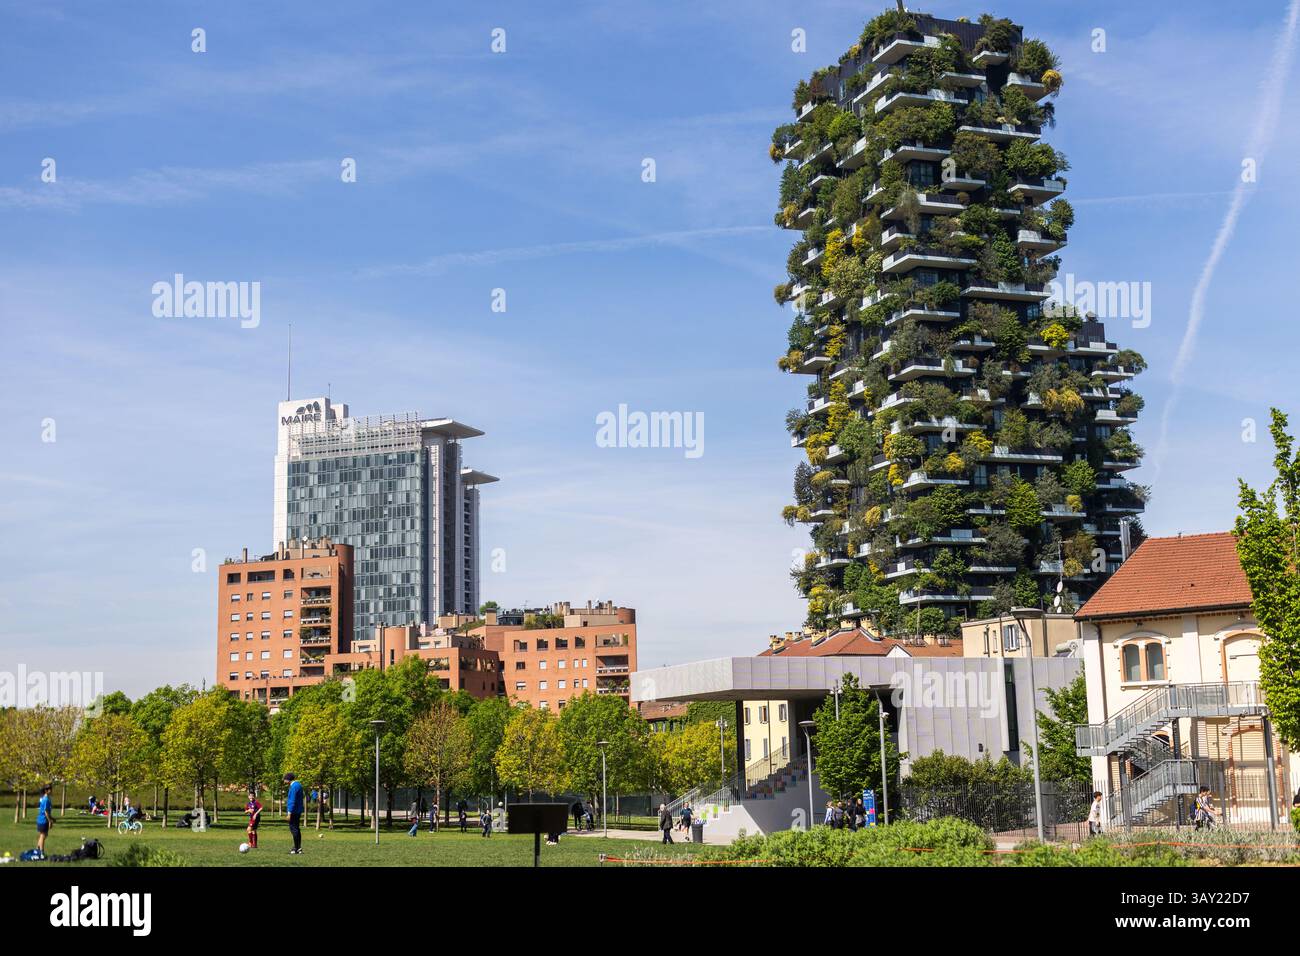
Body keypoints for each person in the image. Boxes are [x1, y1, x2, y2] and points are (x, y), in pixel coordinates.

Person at [284, 772, 305, 855]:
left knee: (294, 829)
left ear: (288, 779)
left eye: (285, 779)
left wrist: (289, 813)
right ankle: (298, 848)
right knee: (297, 829)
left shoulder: (294, 786)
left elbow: (292, 800)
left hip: (294, 811)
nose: (284, 781)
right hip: (298, 810)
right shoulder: (298, 785)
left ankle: (296, 848)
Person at [36, 783, 54, 860]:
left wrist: (52, 818)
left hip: (41, 820)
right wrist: (50, 821)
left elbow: (47, 811)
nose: (51, 790)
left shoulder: (45, 798)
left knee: (43, 835)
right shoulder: (46, 799)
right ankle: (41, 853)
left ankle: (37, 850)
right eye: (50, 789)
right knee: (43, 836)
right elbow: (46, 812)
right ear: (46, 791)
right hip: (43, 820)